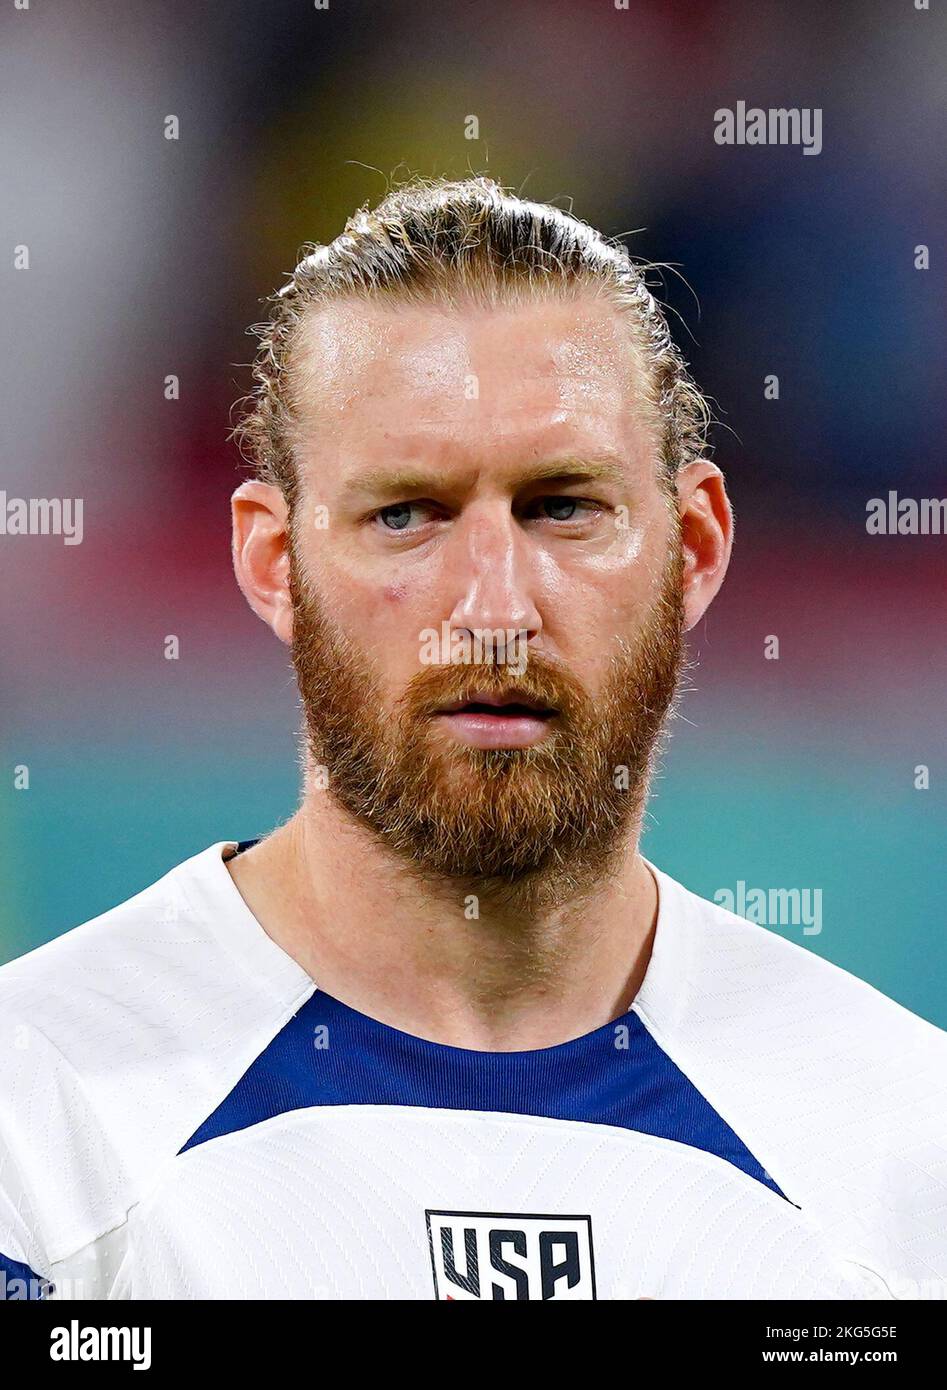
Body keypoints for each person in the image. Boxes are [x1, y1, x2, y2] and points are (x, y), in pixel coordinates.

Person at [1, 178, 943, 1301]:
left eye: (561, 508)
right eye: (404, 514)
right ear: (271, 562)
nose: (492, 608)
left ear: (691, 548)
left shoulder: (903, 1147)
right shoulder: (38, 1114)